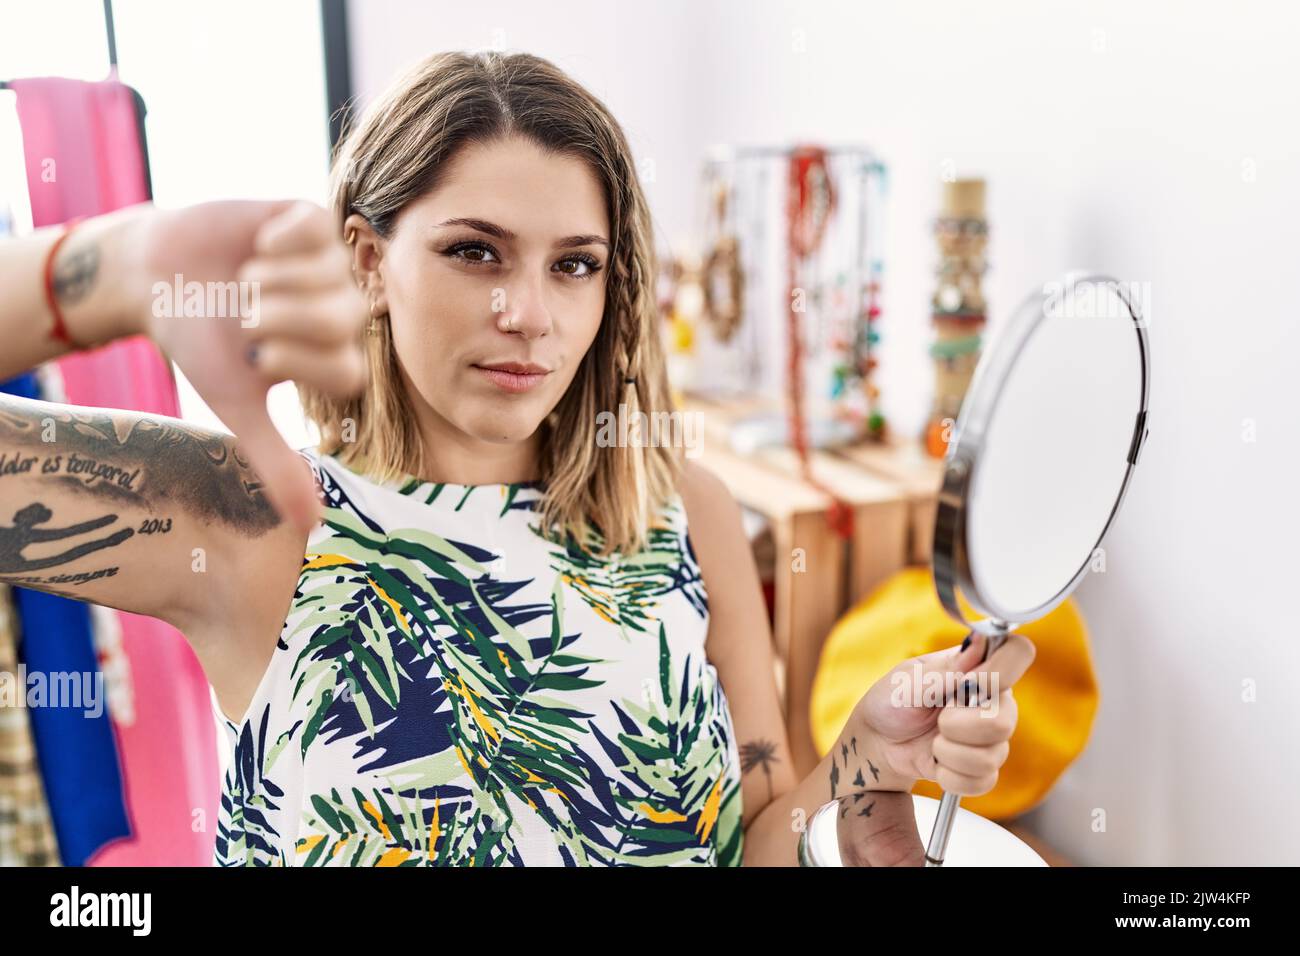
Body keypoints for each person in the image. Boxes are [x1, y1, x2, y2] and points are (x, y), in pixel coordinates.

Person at [0, 50, 1033, 867]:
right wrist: (114, 270)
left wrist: (862, 760)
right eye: (474, 250)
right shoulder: (252, 518)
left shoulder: (684, 514)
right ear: (367, 260)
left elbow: (756, 838)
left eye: (573, 265)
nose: (528, 313)